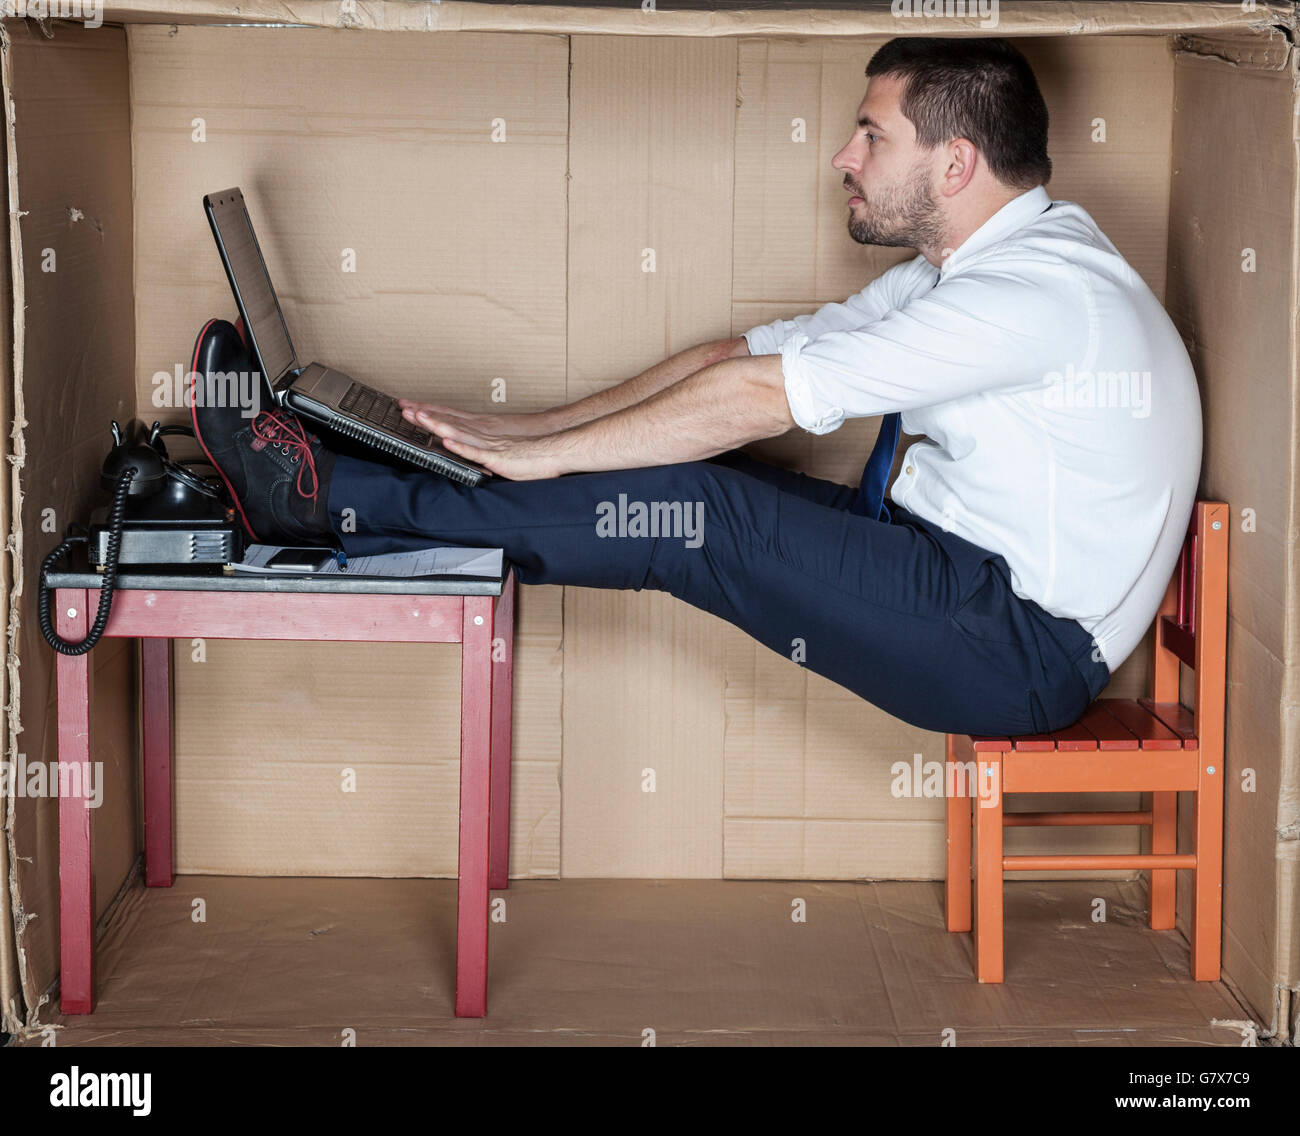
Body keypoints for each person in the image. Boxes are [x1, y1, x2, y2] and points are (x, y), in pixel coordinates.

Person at [191, 36, 1201, 737]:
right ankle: (371, 461)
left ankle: (327, 500)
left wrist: (542, 455)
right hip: (952, 572)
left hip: (1016, 648)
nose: (843, 158)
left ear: (955, 163)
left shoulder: (1030, 298)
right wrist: (519, 427)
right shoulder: (980, 267)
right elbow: (736, 360)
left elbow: (767, 398)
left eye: (872, 136)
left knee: (687, 512)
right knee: (700, 479)